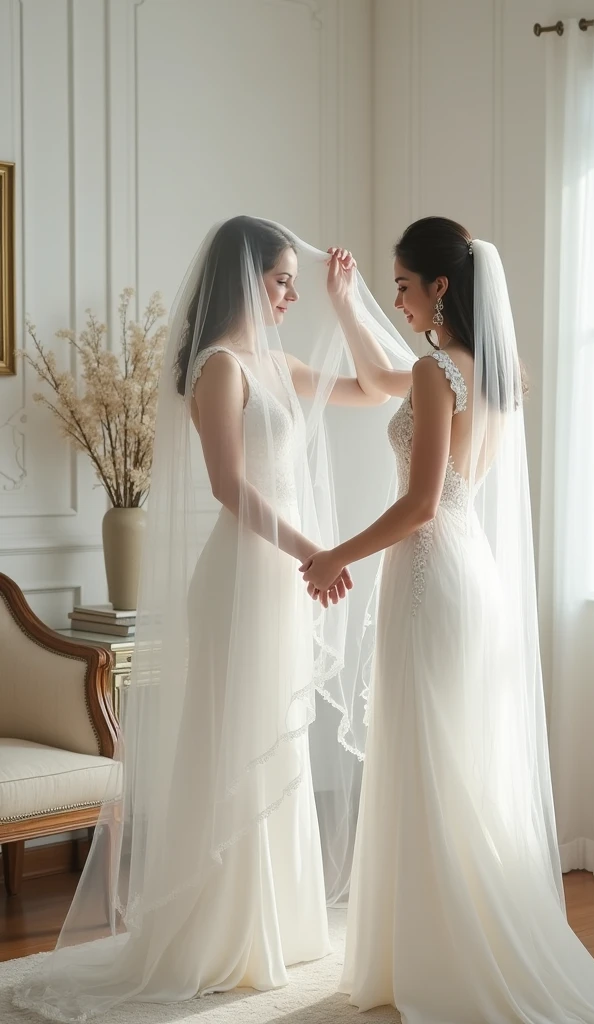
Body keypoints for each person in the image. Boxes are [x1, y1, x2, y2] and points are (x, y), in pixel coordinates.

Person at [13, 216, 414, 1021]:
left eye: (294, 281)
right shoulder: (218, 368)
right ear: (242, 278)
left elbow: (379, 391)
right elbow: (231, 486)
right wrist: (316, 552)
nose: (290, 294)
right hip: (243, 574)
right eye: (280, 280)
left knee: (275, 737)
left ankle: (281, 926)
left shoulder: (280, 364)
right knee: (235, 741)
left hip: (283, 576)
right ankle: (225, 932)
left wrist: (345, 303)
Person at [301, 216, 594, 1024]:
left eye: (402, 286)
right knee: (447, 762)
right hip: (465, 571)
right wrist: (344, 302)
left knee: (430, 759)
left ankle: (440, 956)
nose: (397, 302)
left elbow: (419, 503)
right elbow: (385, 386)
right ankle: (441, 945)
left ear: (441, 285)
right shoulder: (490, 373)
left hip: (430, 573)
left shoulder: (435, 370)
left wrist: (335, 555)